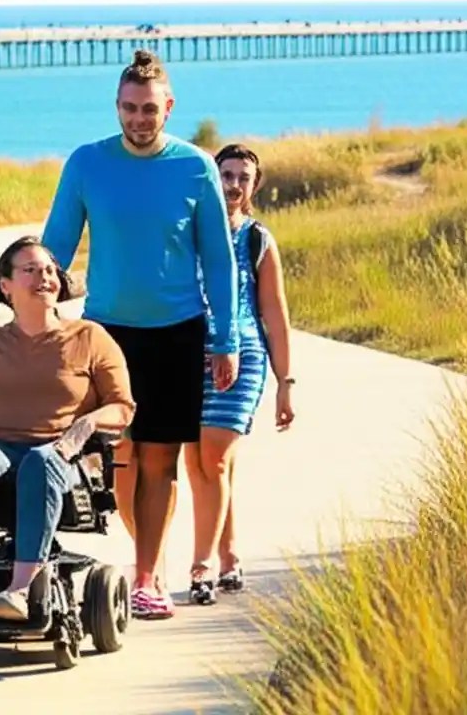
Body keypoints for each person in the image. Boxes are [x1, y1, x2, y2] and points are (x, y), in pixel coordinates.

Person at [41, 49, 240, 620]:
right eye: (129, 108)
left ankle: (148, 576)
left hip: (178, 332)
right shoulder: (86, 163)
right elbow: (54, 247)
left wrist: (223, 339)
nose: (139, 119)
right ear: (117, 107)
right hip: (106, 336)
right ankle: (140, 552)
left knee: (161, 458)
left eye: (149, 109)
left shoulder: (195, 167)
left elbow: (219, 261)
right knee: (118, 457)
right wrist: (34, 305)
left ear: (169, 107)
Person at [0, 236, 135, 626]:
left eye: (49, 270)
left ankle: (18, 590)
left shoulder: (89, 338)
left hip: (60, 452)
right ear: (6, 285)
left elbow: (122, 407)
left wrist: (83, 427)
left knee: (39, 461)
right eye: (30, 270)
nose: (43, 278)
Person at [184, 143, 295, 605]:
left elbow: (274, 312)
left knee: (212, 457)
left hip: (244, 354)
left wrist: (285, 384)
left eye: (241, 178)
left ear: (253, 186)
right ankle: (228, 555)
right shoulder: (189, 231)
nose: (231, 185)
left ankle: (201, 567)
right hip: (188, 354)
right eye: (224, 175)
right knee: (204, 465)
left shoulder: (257, 239)